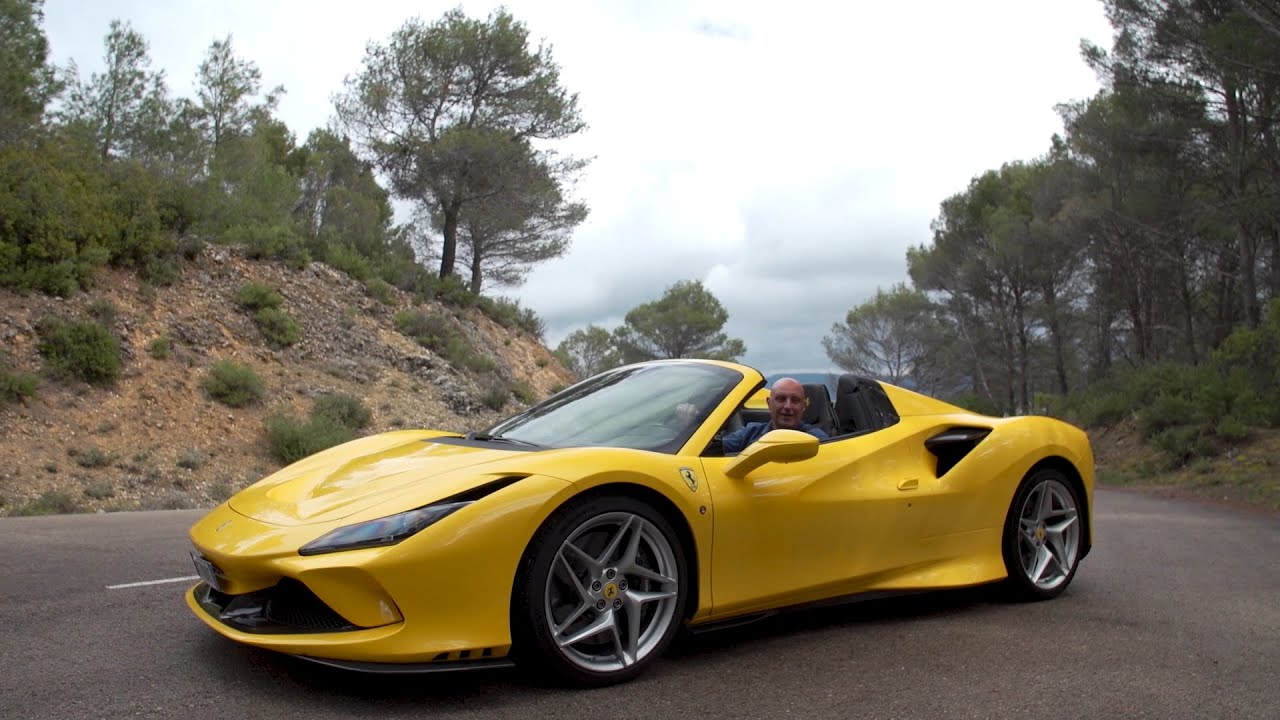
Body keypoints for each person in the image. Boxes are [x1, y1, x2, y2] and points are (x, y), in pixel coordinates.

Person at [721, 377, 829, 453]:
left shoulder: (818, 441)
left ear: (803, 407)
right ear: (769, 403)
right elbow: (713, 449)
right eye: (781, 399)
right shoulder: (749, 433)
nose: (787, 406)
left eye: (795, 400)